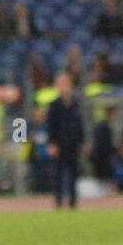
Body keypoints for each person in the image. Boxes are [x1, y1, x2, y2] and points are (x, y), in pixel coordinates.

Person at [46, 74, 85, 210]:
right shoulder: (54, 105)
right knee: (58, 174)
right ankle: (58, 202)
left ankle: (73, 203)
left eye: (65, 84)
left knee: (74, 174)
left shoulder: (75, 103)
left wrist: (81, 141)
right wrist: (51, 143)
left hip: (73, 143)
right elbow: (50, 126)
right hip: (59, 144)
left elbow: (79, 124)